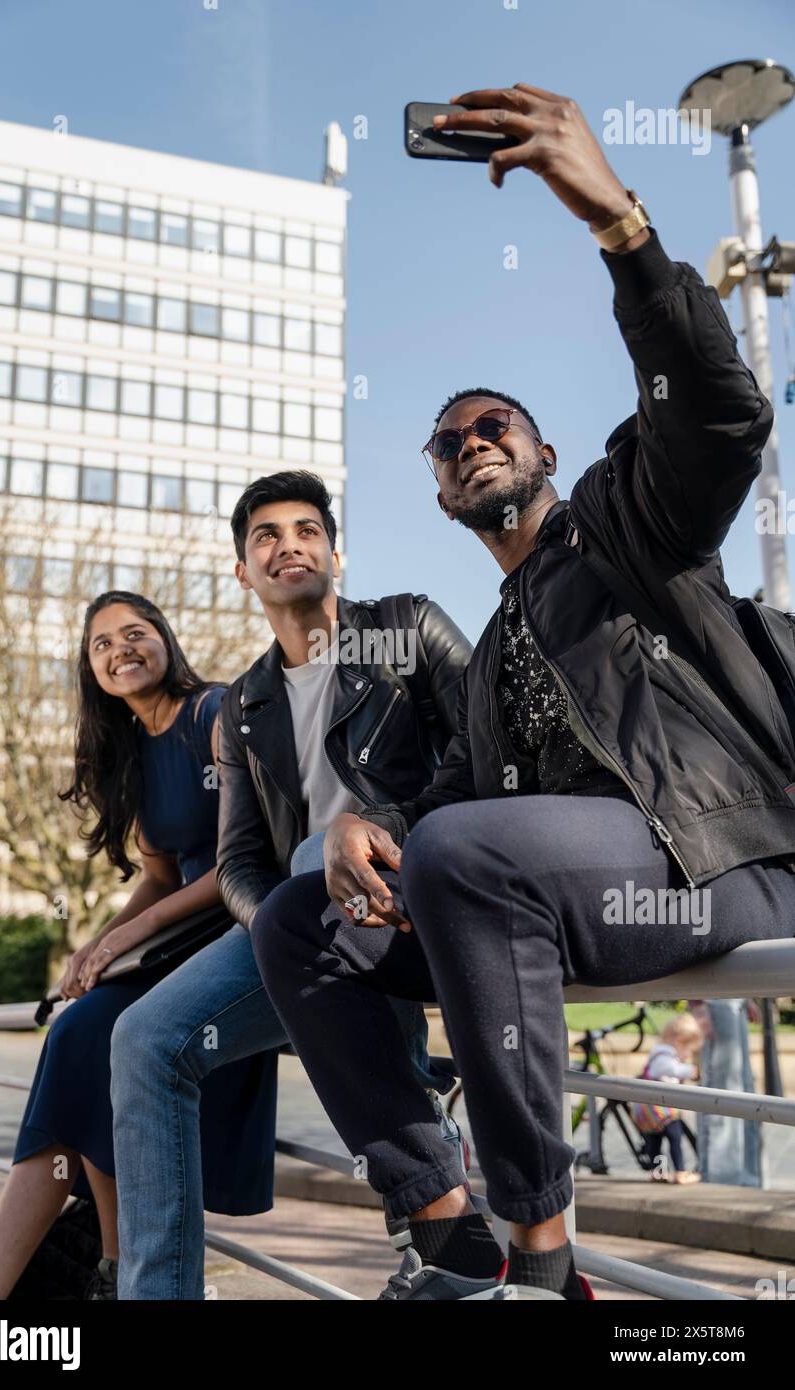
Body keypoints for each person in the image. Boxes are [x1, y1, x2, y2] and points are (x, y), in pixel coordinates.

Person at [251, 81, 795, 1302]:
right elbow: (453, 790)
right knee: (300, 918)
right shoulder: (494, 647)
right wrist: (362, 831)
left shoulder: (626, 527)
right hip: (552, 888)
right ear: (441, 492)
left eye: (493, 422)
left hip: (715, 861)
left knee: (465, 851)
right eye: (446, 443)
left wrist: (619, 227)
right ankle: (445, 1226)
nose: (470, 442)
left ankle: (541, 1261)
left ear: (542, 452)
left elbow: (718, 416)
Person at [110, 470, 472, 1299]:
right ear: (244, 572)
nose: (289, 546)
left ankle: (441, 1228)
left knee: (323, 859)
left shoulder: (406, 628)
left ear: (336, 554)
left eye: (307, 530)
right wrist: (278, 922)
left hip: (417, 884)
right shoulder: (243, 705)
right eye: (265, 537)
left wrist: (384, 834)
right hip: (299, 922)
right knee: (143, 1040)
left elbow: (488, 749)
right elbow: (238, 860)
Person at [0, 592, 277, 1300]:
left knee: (90, 1039)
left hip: (238, 933)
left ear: (164, 639)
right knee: (75, 1034)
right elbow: (161, 873)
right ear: (91, 668)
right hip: (174, 941)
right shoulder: (133, 751)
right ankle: (17, 1289)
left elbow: (240, 860)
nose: (119, 649)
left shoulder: (215, 713)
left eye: (134, 633)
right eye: (101, 644)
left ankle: (110, 1267)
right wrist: (96, 945)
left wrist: (132, 934)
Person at [691, 998, 764, 1186]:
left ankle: (747, 1179)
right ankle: (719, 1180)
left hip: (731, 998)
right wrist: (698, 1005)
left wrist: (744, 997)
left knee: (744, 1091)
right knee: (721, 1093)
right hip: (715, 1000)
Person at [632, 1014, 703, 1184]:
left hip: (649, 1111)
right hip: (662, 1111)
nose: (688, 1055)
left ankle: (659, 1172)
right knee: (674, 1139)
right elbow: (672, 1069)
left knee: (655, 1143)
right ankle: (680, 1171)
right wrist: (691, 1071)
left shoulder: (658, 1053)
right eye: (689, 1050)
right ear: (680, 1041)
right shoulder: (665, 1057)